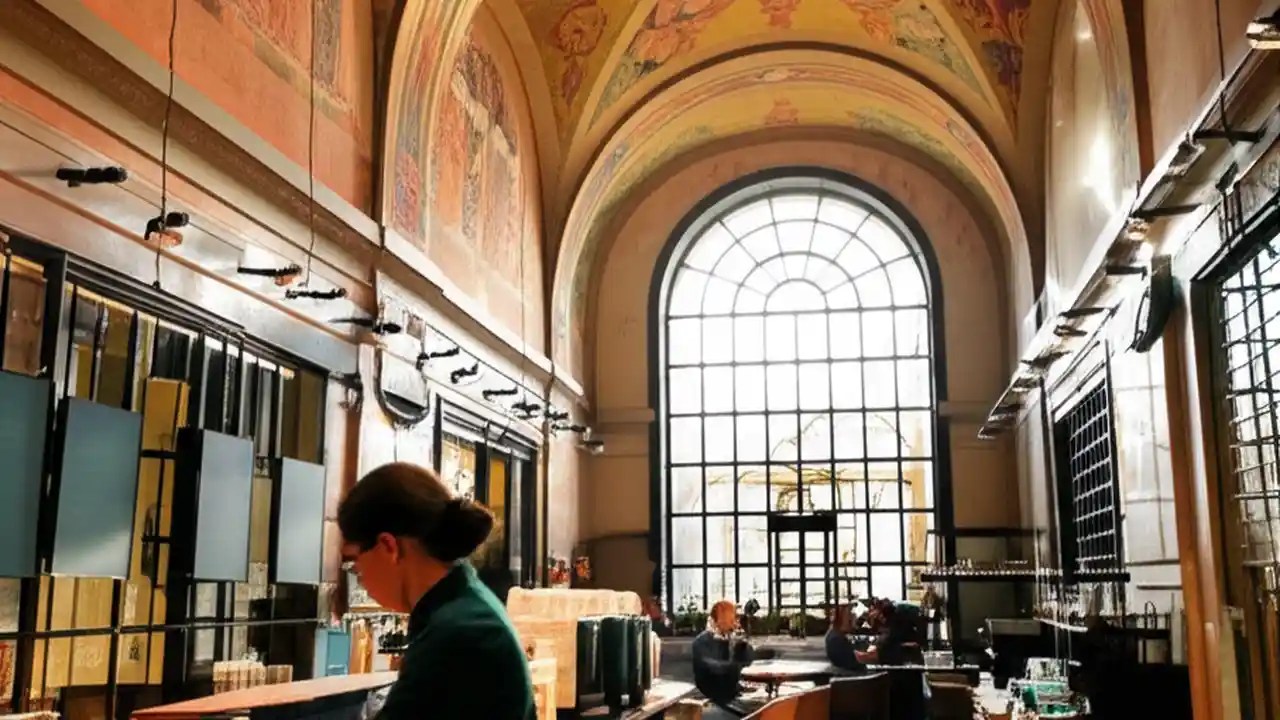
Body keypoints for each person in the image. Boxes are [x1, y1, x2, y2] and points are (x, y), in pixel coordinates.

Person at [338, 462, 534, 720]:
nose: (359, 576)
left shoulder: (460, 634)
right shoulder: (462, 610)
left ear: (388, 547)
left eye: (354, 561)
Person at [692, 600, 761, 718]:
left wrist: (742, 646)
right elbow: (713, 668)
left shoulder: (730, 637)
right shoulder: (702, 642)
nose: (735, 621)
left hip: (733, 695)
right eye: (732, 617)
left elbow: (749, 661)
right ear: (721, 619)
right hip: (712, 697)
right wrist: (735, 663)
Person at [824, 605, 864, 672]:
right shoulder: (836, 640)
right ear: (840, 620)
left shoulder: (836, 634)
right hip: (848, 673)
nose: (853, 620)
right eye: (849, 620)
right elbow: (851, 663)